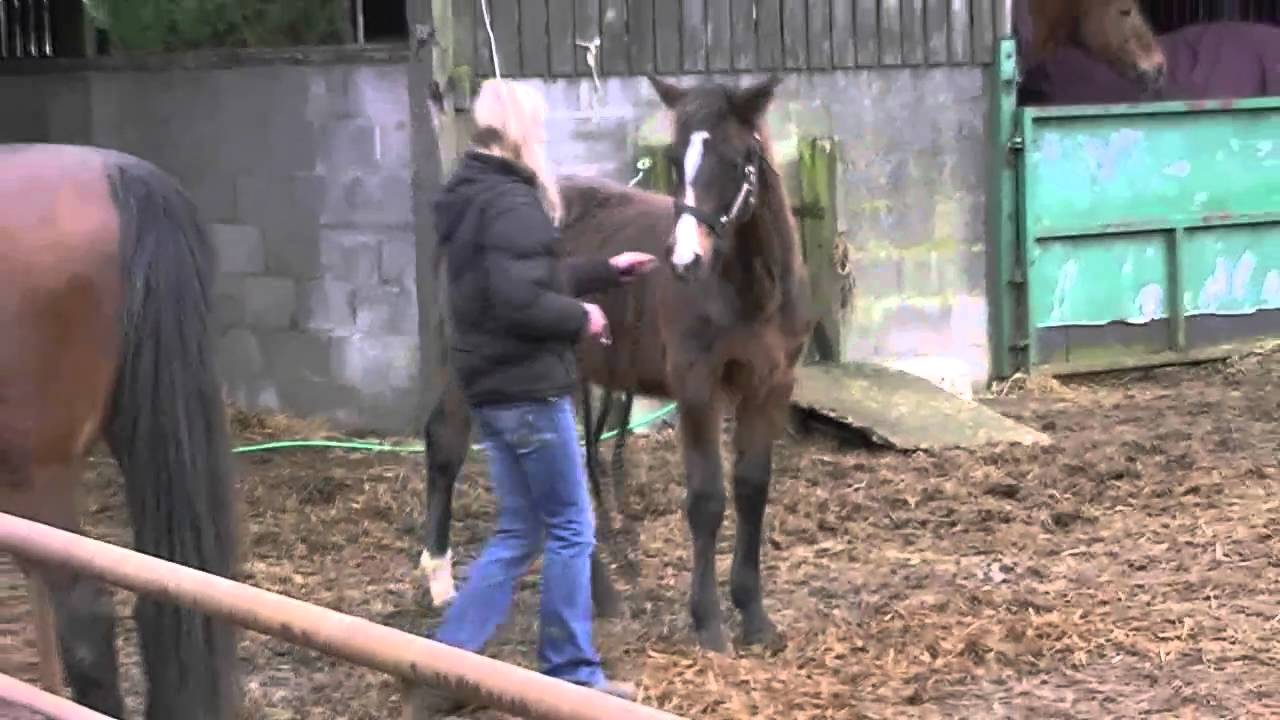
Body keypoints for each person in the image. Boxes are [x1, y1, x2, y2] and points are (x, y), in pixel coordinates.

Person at [405, 78, 657, 715]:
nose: (543, 135)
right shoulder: (513, 202)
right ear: (520, 129)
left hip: (492, 389)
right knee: (571, 528)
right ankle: (571, 673)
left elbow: (522, 277)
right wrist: (582, 317)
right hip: (528, 391)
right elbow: (521, 301)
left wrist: (604, 271)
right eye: (538, 124)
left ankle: (442, 670)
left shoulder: (471, 196)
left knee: (521, 530)